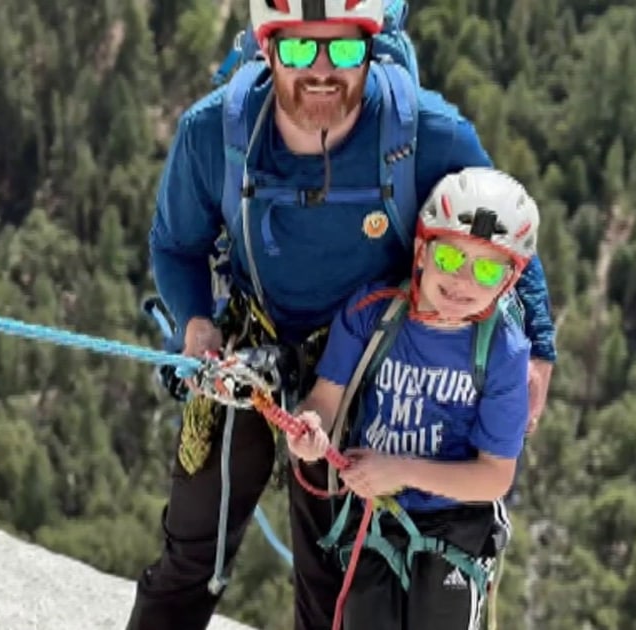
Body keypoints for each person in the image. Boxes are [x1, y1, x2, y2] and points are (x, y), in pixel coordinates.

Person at [128, 2, 556, 629]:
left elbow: (505, 231)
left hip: (368, 365)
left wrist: (538, 347)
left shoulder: (425, 130)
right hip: (250, 348)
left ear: (371, 49)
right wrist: (197, 324)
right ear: (268, 50)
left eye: (344, 51)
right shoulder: (215, 130)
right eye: (301, 50)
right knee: (195, 550)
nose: (323, 70)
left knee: (335, 575)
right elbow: (175, 245)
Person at [286, 166, 538, 630]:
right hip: (373, 516)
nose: (463, 281)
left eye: (486, 268)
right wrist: (310, 432)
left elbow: (494, 477)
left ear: (508, 281)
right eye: (448, 259)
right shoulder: (371, 313)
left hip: (454, 522)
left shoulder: (503, 351)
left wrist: (397, 470)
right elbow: (324, 402)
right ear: (422, 250)